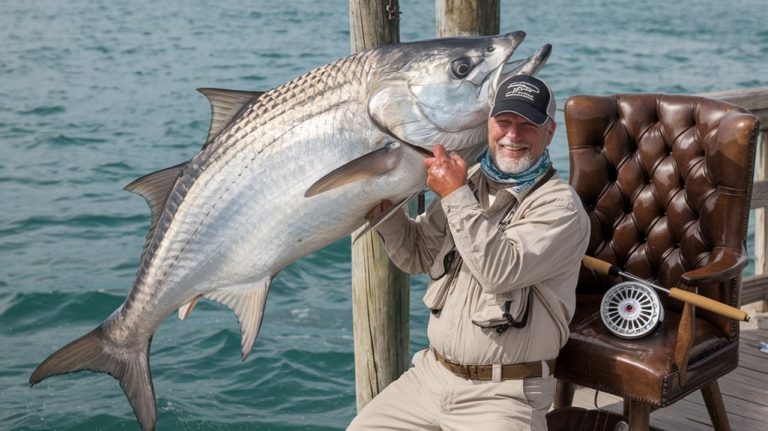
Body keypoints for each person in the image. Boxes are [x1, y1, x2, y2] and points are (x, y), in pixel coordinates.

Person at [347, 75, 591, 431]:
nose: (512, 135)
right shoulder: (468, 181)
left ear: (550, 132)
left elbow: (500, 271)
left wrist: (454, 195)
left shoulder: (560, 207)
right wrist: (385, 212)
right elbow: (417, 255)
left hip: (504, 394)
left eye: (527, 125)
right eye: (504, 122)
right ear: (488, 125)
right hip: (429, 377)